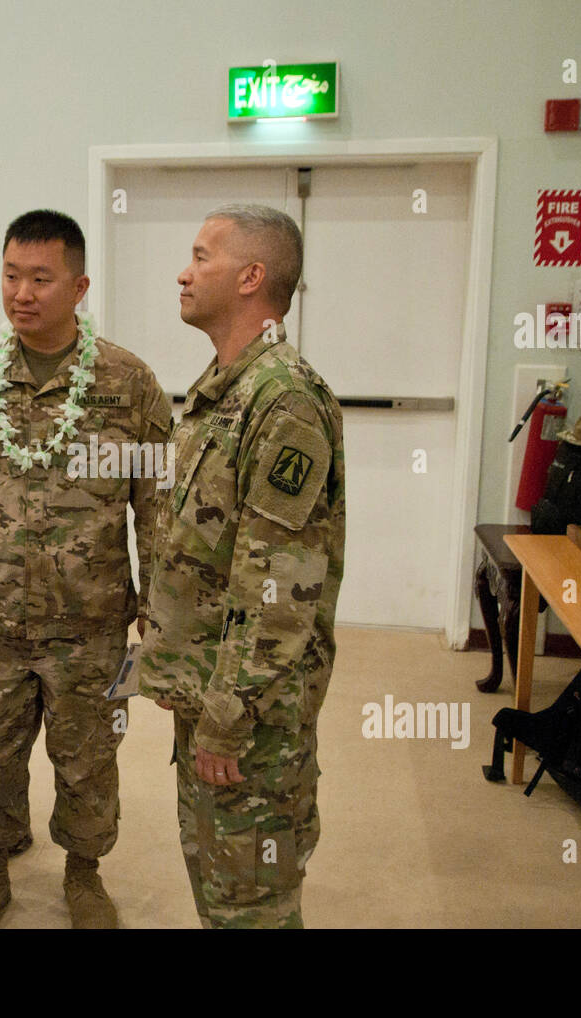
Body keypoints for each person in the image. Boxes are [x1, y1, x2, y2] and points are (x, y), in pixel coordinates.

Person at [0, 210, 172, 928]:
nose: (22, 293)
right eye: (10, 275)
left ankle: (84, 875)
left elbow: (156, 502)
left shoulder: (127, 383)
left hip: (89, 622)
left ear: (79, 285)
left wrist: (162, 605)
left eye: (41, 279)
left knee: (88, 760)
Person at [136, 205, 345, 928]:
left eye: (201, 257)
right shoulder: (225, 388)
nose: (183, 272)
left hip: (251, 715)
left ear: (251, 276)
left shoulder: (282, 399)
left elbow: (279, 587)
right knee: (220, 886)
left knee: (250, 902)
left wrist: (229, 715)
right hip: (213, 695)